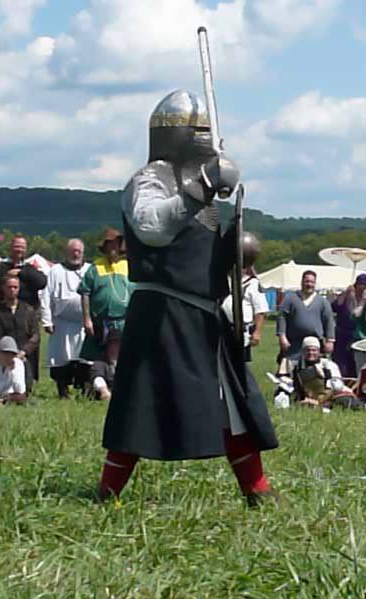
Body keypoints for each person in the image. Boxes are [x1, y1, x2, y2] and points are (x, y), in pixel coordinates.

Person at [98, 89, 278, 506]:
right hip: (162, 313)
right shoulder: (149, 179)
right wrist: (203, 186)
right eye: (197, 132)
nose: (204, 140)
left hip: (205, 315)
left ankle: (257, 490)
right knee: (141, 405)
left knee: (231, 401)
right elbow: (151, 226)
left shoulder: (205, 193)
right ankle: (107, 494)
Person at [0, 236, 47, 382]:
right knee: (8, 342)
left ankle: (30, 378)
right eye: (17, 246)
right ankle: (2, 375)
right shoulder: (2, 267)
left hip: (28, 313)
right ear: (11, 247)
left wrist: (21, 273)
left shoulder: (29, 268)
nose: (19, 249)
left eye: (22, 247)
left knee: (30, 344)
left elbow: (42, 282)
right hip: (6, 312)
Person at [42, 237, 89, 398]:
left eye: (78, 251)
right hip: (60, 323)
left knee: (85, 359)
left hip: (84, 324)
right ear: (66, 252)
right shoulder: (56, 270)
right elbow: (46, 296)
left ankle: (85, 390)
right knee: (60, 359)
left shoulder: (90, 270)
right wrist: (47, 320)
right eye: (72, 251)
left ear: (83, 253)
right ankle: (63, 391)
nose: (75, 254)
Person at [79, 228, 131, 367]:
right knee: (97, 360)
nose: (112, 247)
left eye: (115, 243)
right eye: (109, 244)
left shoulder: (128, 265)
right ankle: (97, 384)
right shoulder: (96, 266)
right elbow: (84, 292)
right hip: (100, 322)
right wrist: (87, 319)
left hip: (123, 320)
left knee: (123, 358)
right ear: (104, 246)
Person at [0, 274, 41, 393]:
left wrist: (24, 351)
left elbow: (35, 335)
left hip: (24, 356)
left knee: (24, 390)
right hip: (2, 357)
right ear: (3, 288)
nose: (12, 290)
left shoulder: (28, 310)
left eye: (15, 287)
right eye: (9, 287)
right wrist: (6, 353)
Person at [275, 336, 362, 410]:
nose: (311, 353)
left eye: (314, 350)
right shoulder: (297, 368)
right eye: (307, 350)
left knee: (344, 401)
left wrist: (318, 402)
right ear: (303, 351)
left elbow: (336, 388)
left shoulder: (328, 365)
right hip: (310, 399)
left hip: (331, 398)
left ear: (319, 351)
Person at [220, 232, 268, 362]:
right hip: (221, 331)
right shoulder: (222, 281)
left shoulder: (252, 284)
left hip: (242, 333)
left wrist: (257, 332)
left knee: (239, 367)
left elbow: (260, 311)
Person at [275, 269, 335, 362]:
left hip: (314, 345)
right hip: (293, 344)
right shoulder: (290, 298)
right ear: (301, 282)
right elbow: (281, 317)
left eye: (312, 282)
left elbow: (329, 321)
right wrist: (282, 337)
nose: (309, 284)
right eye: (307, 281)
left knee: (313, 372)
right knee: (289, 370)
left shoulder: (322, 301)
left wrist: (330, 340)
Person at [330, 274, 366, 376]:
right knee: (341, 365)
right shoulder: (347, 297)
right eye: (360, 284)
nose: (362, 287)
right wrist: (345, 293)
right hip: (342, 336)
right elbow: (334, 307)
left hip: (358, 337)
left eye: (365, 285)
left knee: (355, 366)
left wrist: (365, 301)